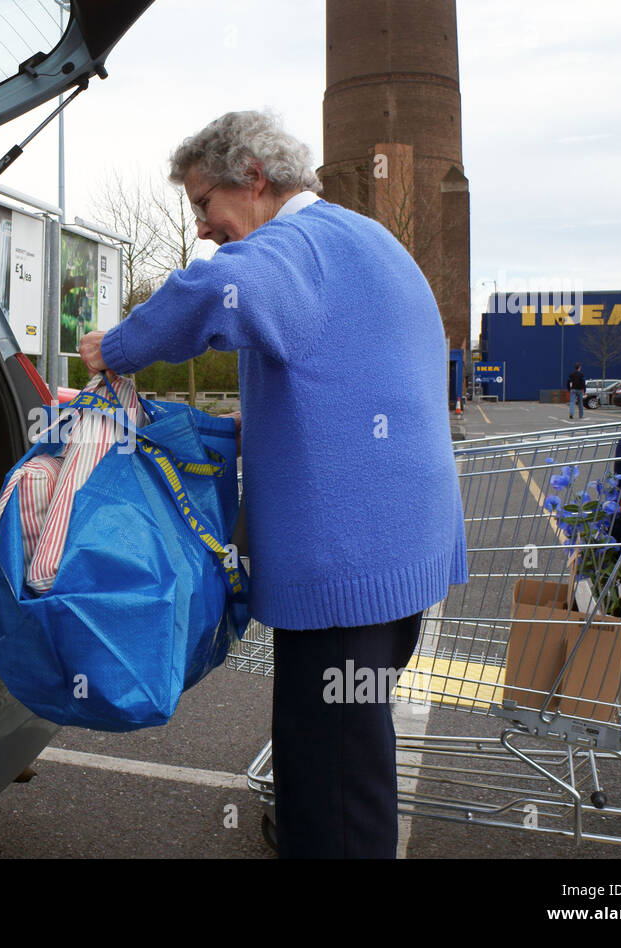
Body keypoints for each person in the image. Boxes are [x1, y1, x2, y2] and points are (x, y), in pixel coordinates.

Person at [79, 110, 468, 858]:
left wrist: (118, 348)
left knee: (329, 779)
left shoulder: (293, 249)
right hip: (401, 555)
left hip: (345, 571)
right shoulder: (367, 241)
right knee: (351, 747)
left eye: (203, 204)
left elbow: (212, 290)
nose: (199, 227)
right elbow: (332, 380)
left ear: (253, 178)